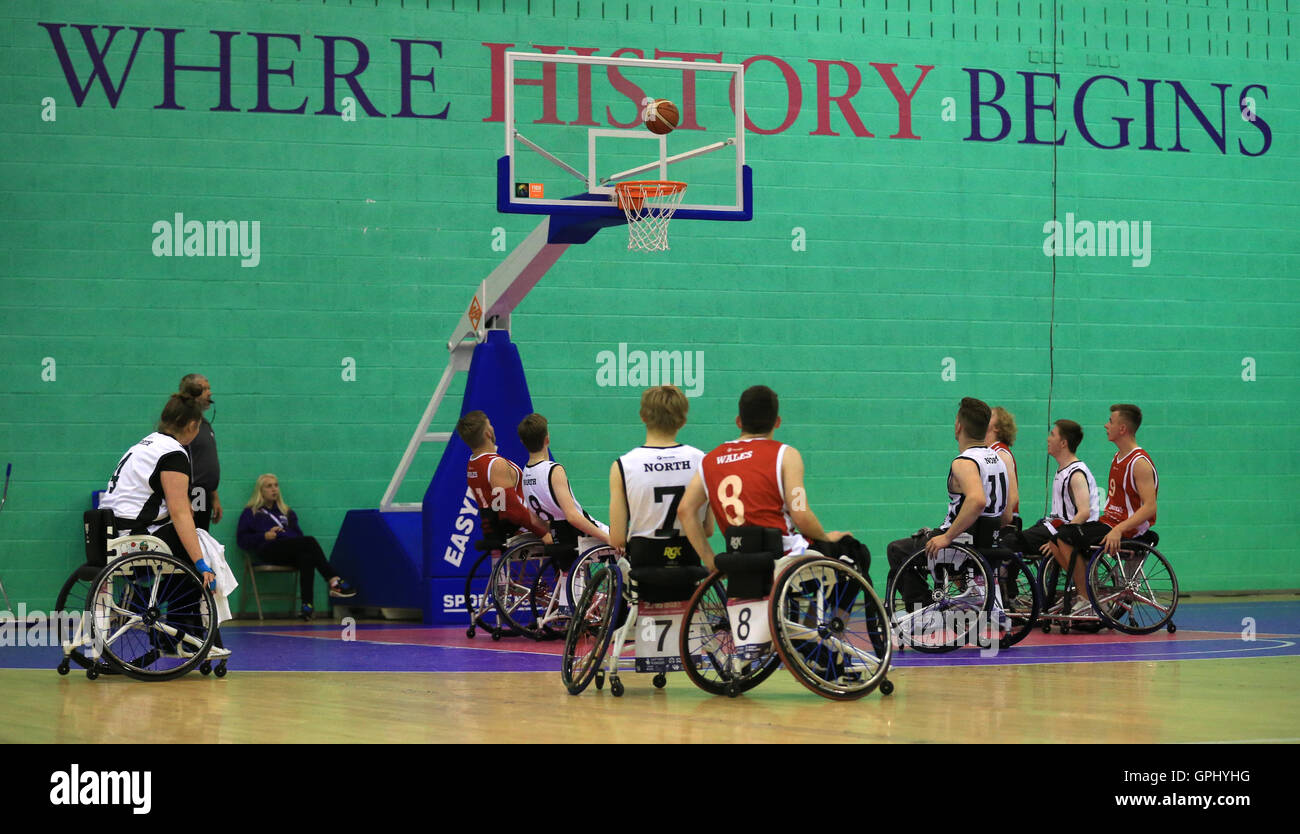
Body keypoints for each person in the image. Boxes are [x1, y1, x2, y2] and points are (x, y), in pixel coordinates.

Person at [677, 385, 864, 574]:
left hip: (738, 559)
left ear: (739, 421)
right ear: (777, 422)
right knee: (855, 550)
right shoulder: (786, 455)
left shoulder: (709, 460)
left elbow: (685, 510)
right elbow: (800, 515)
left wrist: (710, 560)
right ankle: (839, 605)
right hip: (784, 559)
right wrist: (826, 537)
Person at [98, 393, 229, 659]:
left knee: (190, 547)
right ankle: (192, 635)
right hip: (135, 539)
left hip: (110, 535)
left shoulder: (143, 445)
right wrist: (201, 563)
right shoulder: (173, 453)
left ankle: (176, 633)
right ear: (193, 426)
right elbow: (181, 514)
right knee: (200, 544)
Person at [886, 397, 1014, 611]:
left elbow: (977, 500)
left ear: (958, 427)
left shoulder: (964, 462)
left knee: (897, 550)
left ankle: (922, 608)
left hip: (961, 544)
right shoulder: (998, 459)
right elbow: (1007, 514)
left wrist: (947, 537)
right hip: (988, 542)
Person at [1053, 404, 1159, 613]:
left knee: (1065, 537)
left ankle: (1088, 598)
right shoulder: (1117, 457)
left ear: (1122, 429)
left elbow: (1149, 507)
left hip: (1126, 528)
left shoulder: (1139, 463)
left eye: (1110, 421)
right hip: (1109, 522)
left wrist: (1119, 530)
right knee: (1057, 536)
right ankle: (1088, 590)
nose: (1105, 425)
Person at [608, 386, 712, 558]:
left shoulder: (623, 466)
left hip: (645, 566)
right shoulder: (703, 461)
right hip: (688, 565)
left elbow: (617, 538)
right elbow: (707, 530)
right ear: (683, 420)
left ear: (643, 417)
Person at [236, 474, 357, 620]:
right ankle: (333, 579)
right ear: (260, 490)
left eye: (276, 485)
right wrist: (264, 536)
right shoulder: (251, 512)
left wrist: (283, 534)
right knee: (310, 542)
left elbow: (298, 536)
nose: (274, 489)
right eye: (269, 486)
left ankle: (307, 607)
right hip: (267, 550)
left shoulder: (286, 512)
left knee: (306, 557)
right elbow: (241, 540)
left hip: (286, 549)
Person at [1001, 419, 1100, 565]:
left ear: (1063, 443)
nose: (1048, 438)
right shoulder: (1064, 468)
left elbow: (1084, 512)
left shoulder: (1076, 474)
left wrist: (1058, 540)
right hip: (1055, 526)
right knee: (1012, 538)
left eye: (1052, 435)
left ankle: (1007, 586)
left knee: (1009, 543)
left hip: (1067, 531)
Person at [517, 413, 611, 551]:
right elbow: (572, 517)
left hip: (558, 535)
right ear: (547, 439)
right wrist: (608, 538)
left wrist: (558, 530)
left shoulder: (525, 473)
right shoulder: (554, 470)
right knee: (626, 541)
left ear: (523, 442)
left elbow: (535, 520)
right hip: (579, 533)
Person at [455, 411, 548, 540]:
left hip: (497, 529)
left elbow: (500, 507)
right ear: (488, 433)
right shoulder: (495, 465)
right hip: (521, 528)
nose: (493, 427)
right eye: (490, 425)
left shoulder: (473, 464)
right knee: (572, 529)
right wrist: (544, 533)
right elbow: (512, 511)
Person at [178, 373, 221, 531]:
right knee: (194, 532)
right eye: (204, 389)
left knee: (202, 533)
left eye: (209, 388)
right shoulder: (184, 425)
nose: (209, 392)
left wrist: (214, 497)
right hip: (193, 492)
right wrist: (184, 497)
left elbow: (205, 463)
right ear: (192, 393)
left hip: (204, 493)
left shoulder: (204, 423)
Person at [985, 406, 1020, 527]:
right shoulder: (986, 452)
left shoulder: (1001, 453)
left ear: (997, 427)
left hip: (1004, 523)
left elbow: (1013, 496)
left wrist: (999, 523)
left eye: (991, 415)